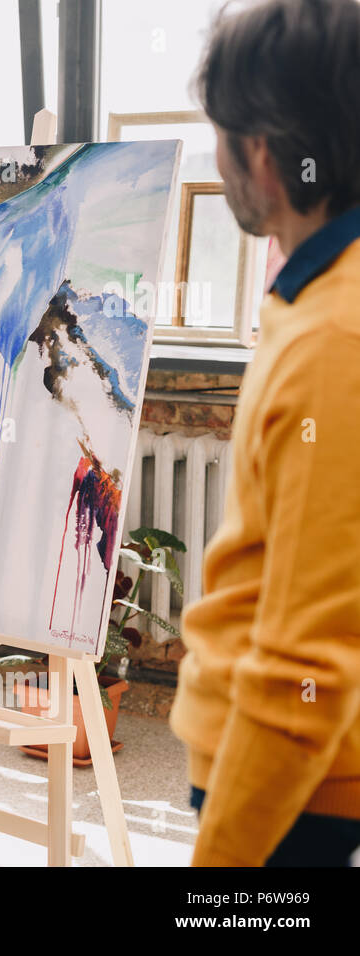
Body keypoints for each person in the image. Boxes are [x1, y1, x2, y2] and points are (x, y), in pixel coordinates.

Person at [170, 0, 360, 866]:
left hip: (298, 799)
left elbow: (307, 670)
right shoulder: (315, 294)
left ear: (259, 150)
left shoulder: (335, 339)